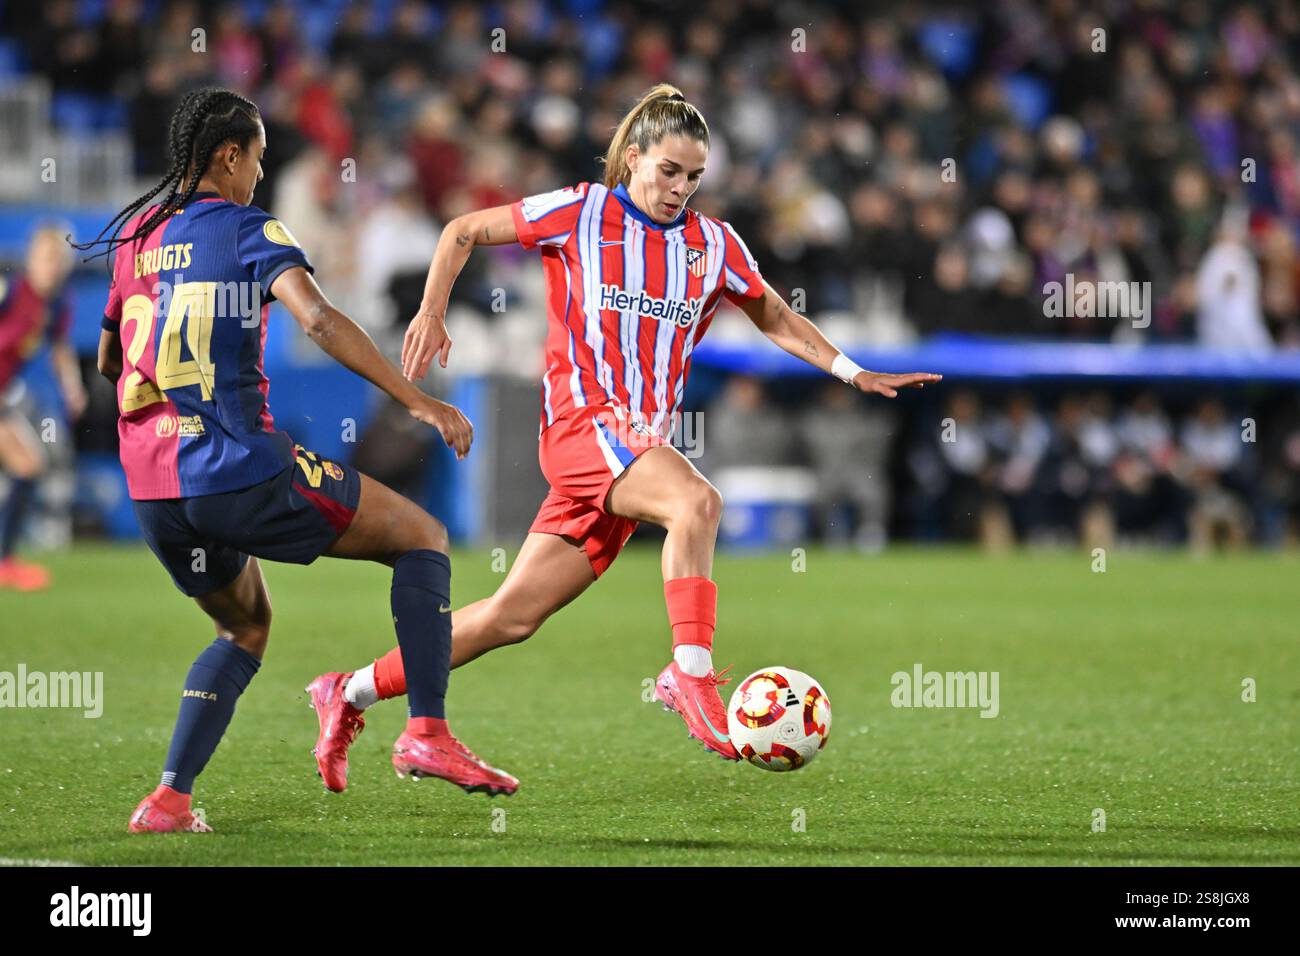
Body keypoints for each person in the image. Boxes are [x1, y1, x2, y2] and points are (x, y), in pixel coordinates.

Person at [310, 84, 940, 785]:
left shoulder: (713, 244)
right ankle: (690, 675)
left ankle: (348, 690)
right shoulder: (580, 211)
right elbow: (462, 230)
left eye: (694, 177)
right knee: (697, 503)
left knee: (510, 618)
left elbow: (778, 320)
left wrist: (852, 371)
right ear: (634, 158)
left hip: (629, 451)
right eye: (669, 171)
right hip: (585, 428)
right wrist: (432, 311)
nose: (680, 188)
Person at [75, 87, 515, 833]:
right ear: (228, 156)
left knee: (243, 631)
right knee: (423, 538)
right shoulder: (247, 229)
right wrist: (416, 399)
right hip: (239, 470)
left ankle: (169, 800)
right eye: (257, 159)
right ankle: (426, 733)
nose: (259, 175)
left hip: (154, 490)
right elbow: (316, 317)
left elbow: (110, 360)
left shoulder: (134, 240)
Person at [0, 227, 87, 590]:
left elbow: (59, 348)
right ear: (32, 259)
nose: (51, 267)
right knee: (28, 464)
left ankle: (5, 561)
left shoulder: (55, 305)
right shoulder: (9, 291)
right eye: (45, 258)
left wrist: (73, 388)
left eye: (58, 260)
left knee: (29, 466)